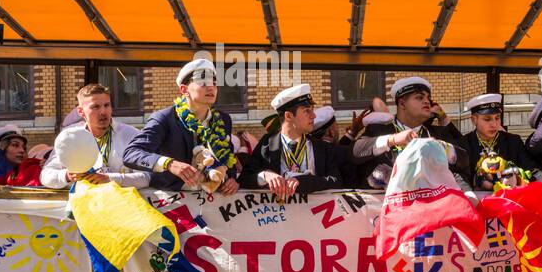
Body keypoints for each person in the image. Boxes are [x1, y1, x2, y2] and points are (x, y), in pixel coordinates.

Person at [124, 58, 240, 194]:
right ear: (184, 90)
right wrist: (169, 164)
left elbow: (227, 155)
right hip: (173, 201)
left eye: (214, 83)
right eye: (202, 82)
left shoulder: (223, 119)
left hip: (213, 202)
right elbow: (131, 154)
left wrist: (232, 178)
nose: (211, 87)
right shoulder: (164, 118)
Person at [351, 77, 467, 187]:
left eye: (428, 98)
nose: (427, 101)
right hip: (390, 204)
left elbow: (465, 161)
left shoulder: (438, 134)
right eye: (420, 97)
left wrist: (442, 147)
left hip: (430, 204)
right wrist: (392, 139)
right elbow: (354, 152)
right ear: (402, 104)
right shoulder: (379, 130)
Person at [242, 84, 345, 197]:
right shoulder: (266, 145)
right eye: (307, 111)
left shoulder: (322, 148)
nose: (313, 115)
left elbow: (336, 181)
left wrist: (306, 181)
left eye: (312, 110)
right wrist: (265, 176)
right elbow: (244, 179)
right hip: (276, 213)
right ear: (288, 116)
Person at [41, 83, 150, 189]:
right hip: (83, 204)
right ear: (81, 111)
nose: (103, 111)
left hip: (120, 204)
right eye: (95, 107)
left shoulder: (131, 135)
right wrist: (67, 176)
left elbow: (146, 178)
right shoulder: (70, 137)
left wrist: (110, 178)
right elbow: (45, 176)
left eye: (107, 105)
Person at [456, 93, 542, 191]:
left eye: (497, 118)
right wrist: (470, 196)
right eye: (487, 119)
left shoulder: (513, 142)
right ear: (474, 120)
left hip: (509, 202)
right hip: (478, 202)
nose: (494, 124)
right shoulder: (463, 145)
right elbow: (459, 176)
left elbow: (532, 169)